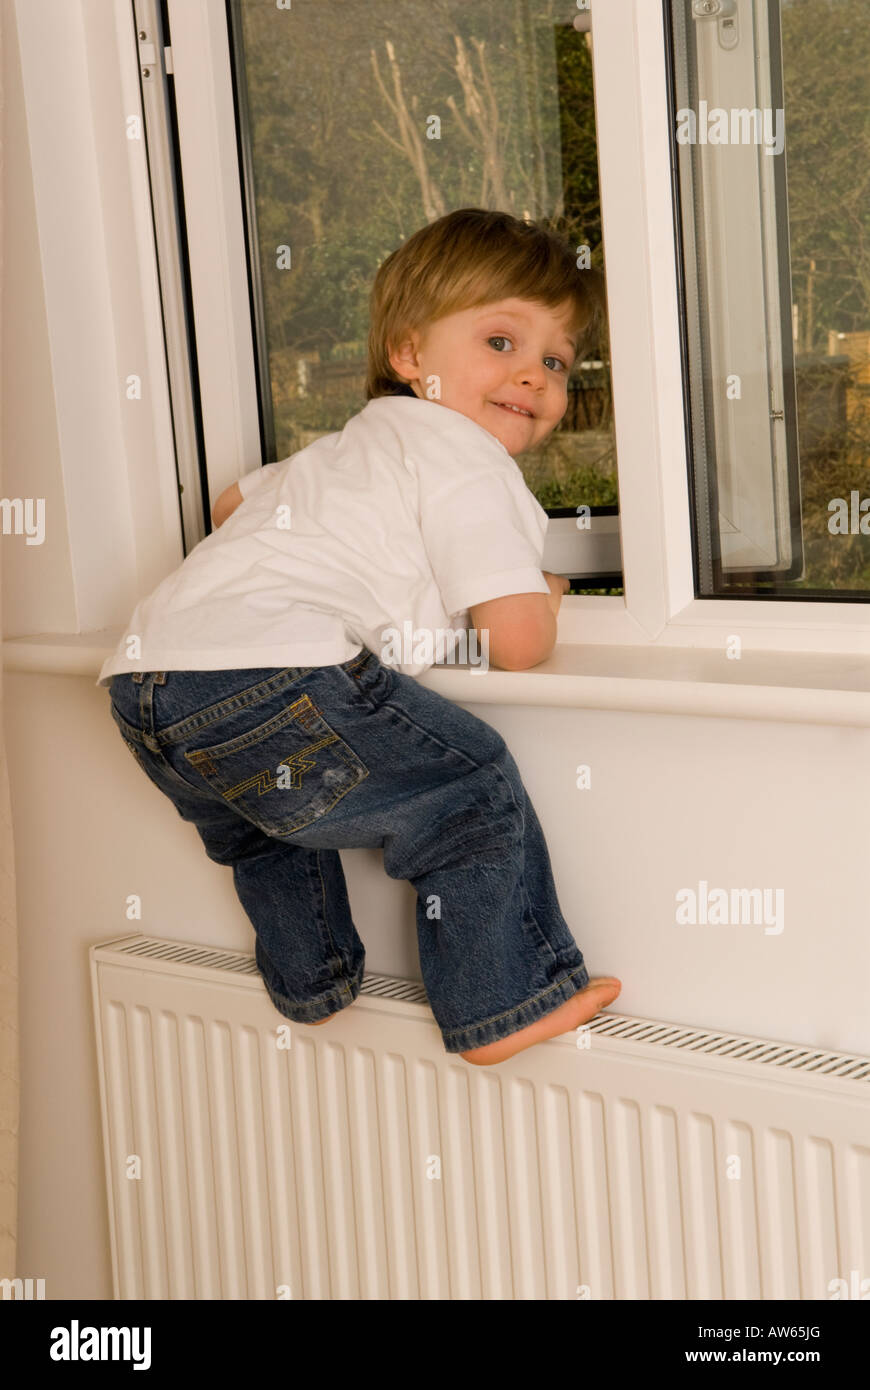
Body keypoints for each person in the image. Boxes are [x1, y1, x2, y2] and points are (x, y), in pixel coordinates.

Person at [99, 207, 621, 1065]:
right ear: (411, 356)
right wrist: (546, 594)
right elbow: (519, 642)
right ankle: (506, 1001)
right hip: (278, 669)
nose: (532, 376)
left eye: (556, 361)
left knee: (258, 824)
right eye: (502, 342)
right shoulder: (467, 458)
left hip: (146, 678)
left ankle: (314, 979)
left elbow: (232, 506)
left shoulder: (343, 451)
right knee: (469, 790)